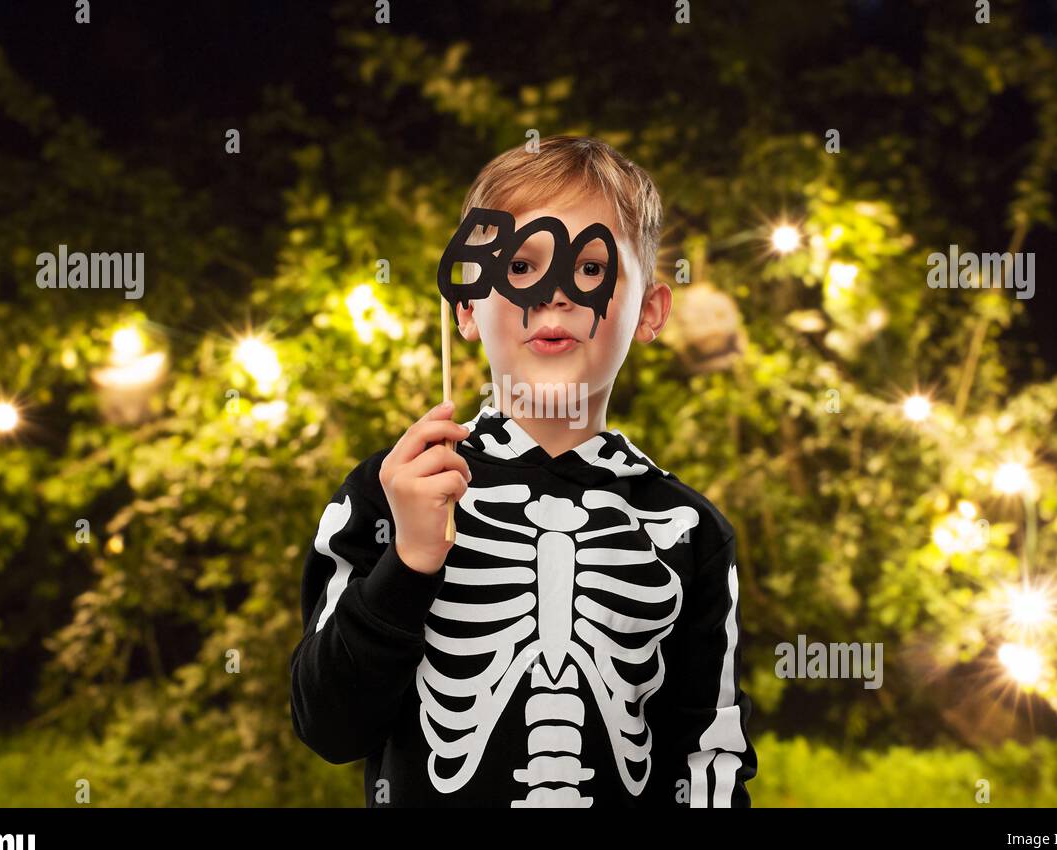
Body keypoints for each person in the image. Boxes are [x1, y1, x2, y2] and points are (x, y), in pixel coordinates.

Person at [290, 135, 757, 807]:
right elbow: (328, 725)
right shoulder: (392, 491)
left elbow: (711, 753)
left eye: (592, 269)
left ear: (650, 312)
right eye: (519, 266)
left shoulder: (687, 529)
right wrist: (410, 560)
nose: (555, 292)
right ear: (466, 305)